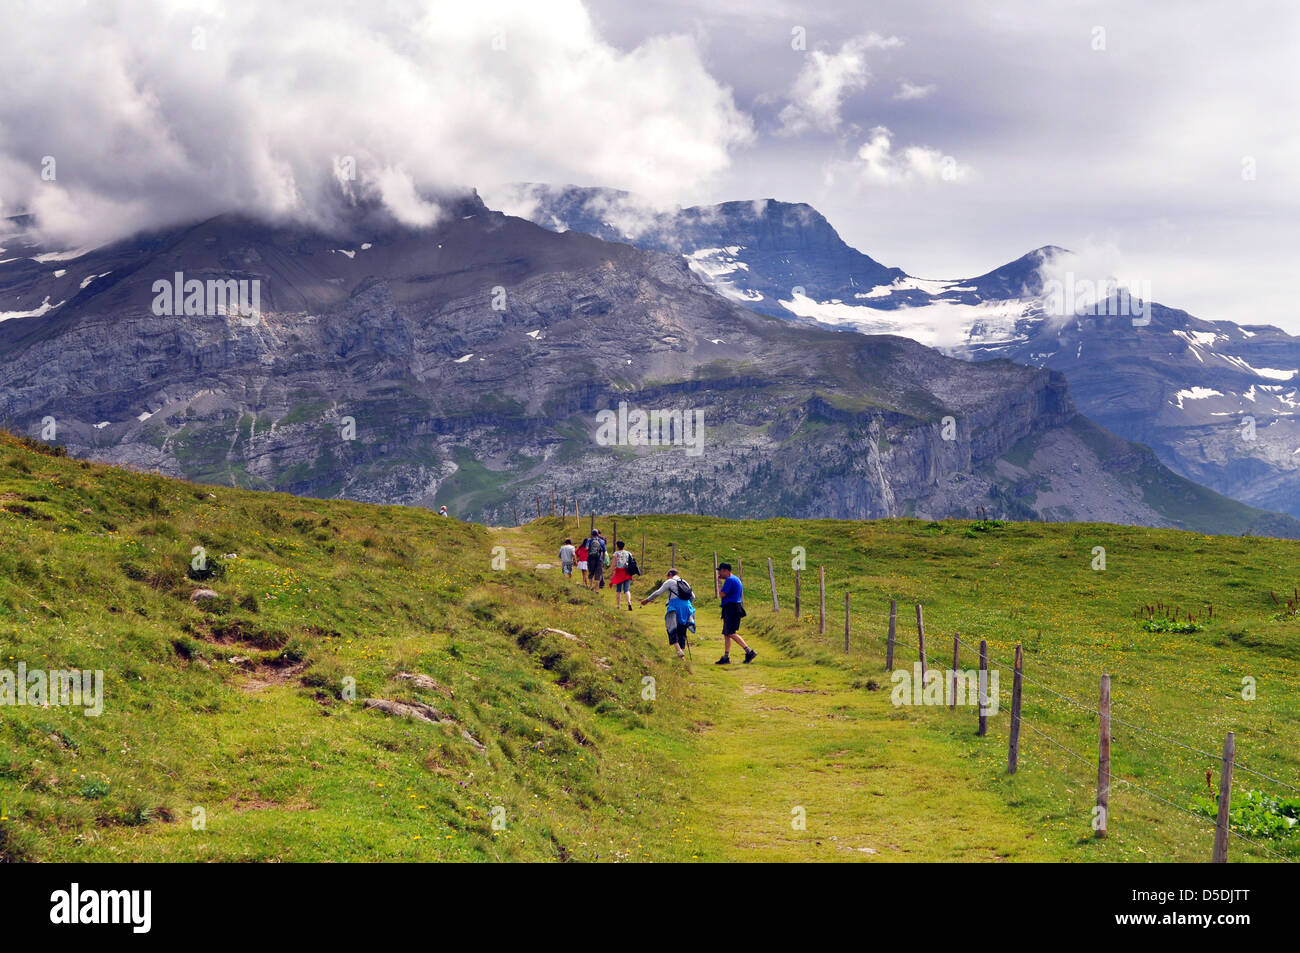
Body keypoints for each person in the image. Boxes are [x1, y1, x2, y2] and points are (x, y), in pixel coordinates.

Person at [641, 570, 695, 659]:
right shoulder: (684, 581)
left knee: (671, 628)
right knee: (682, 630)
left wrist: (647, 600)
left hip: (674, 606)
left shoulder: (670, 581)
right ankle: (682, 656)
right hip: (687, 607)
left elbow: (658, 592)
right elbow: (693, 596)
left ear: (670, 574)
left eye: (667, 576)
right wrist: (686, 605)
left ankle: (678, 650)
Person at [715, 563, 755, 664]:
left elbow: (722, 594)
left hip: (731, 608)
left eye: (720, 571)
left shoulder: (730, 580)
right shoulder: (735, 579)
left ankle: (749, 651)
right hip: (732, 607)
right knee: (726, 633)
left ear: (726, 571)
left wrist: (719, 584)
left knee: (731, 632)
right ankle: (726, 656)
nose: (719, 573)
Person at [609, 539, 634, 610]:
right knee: (627, 590)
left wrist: (611, 572)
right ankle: (629, 602)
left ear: (617, 546)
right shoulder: (628, 553)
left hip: (619, 572)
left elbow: (613, 564)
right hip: (627, 572)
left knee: (618, 590)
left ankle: (618, 605)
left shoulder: (616, 554)